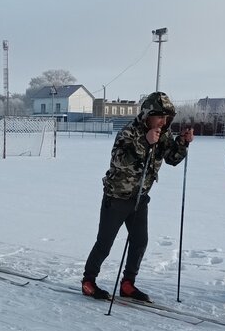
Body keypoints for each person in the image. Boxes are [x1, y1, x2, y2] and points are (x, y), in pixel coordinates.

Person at [81, 91, 192, 301]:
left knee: (140, 241)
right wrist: (145, 143)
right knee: (105, 243)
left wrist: (183, 143)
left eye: (167, 117)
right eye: (159, 116)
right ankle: (88, 281)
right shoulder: (129, 132)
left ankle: (128, 283)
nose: (163, 121)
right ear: (147, 114)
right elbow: (120, 161)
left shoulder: (163, 134)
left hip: (140, 198)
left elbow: (172, 159)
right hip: (117, 197)